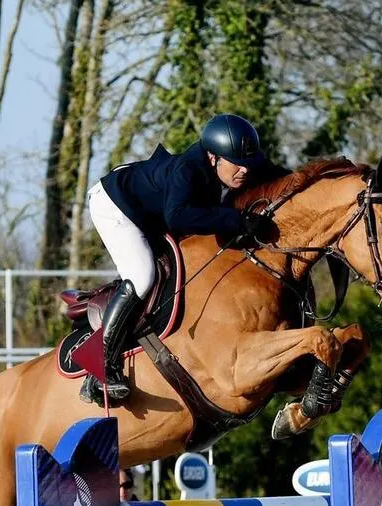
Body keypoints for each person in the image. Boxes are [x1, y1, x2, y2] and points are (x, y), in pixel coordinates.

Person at [85, 113, 286, 402]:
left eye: (248, 164)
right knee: (142, 276)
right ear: (213, 157)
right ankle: (101, 368)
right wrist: (239, 220)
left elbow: (278, 174)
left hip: (150, 202)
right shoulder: (187, 170)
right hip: (115, 205)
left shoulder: (239, 162)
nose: (244, 171)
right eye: (236, 164)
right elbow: (178, 218)